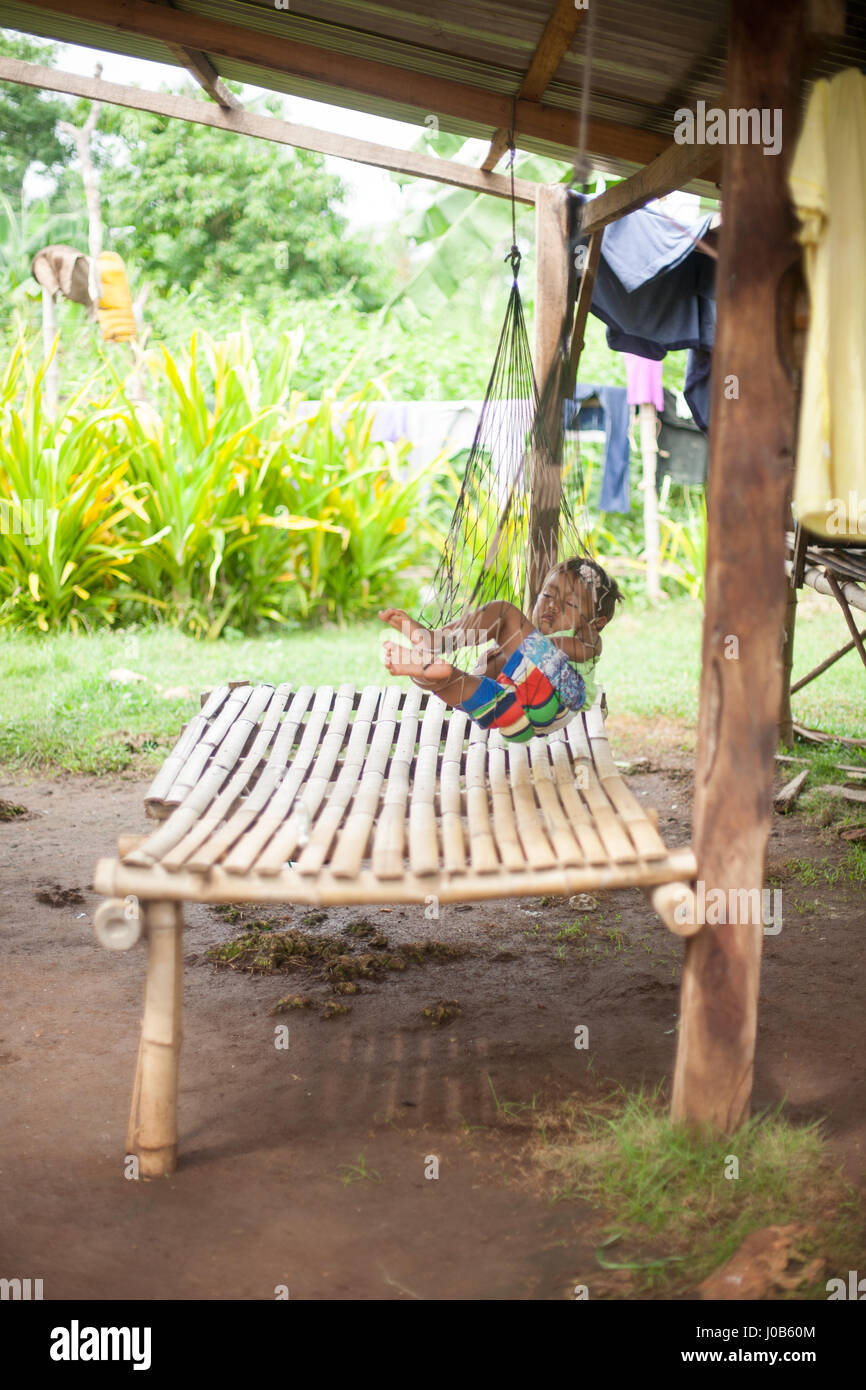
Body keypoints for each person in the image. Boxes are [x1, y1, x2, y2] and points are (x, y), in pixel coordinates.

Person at [379, 556, 622, 743]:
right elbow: (523, 654)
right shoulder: (526, 659)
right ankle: (433, 673)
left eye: (569, 603)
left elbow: (559, 649)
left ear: (597, 622)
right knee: (455, 680)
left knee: (503, 613)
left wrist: (517, 645)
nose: (552, 605)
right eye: (547, 594)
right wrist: (500, 656)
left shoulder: (587, 638)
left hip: (560, 698)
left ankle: (436, 640)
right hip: (511, 715)